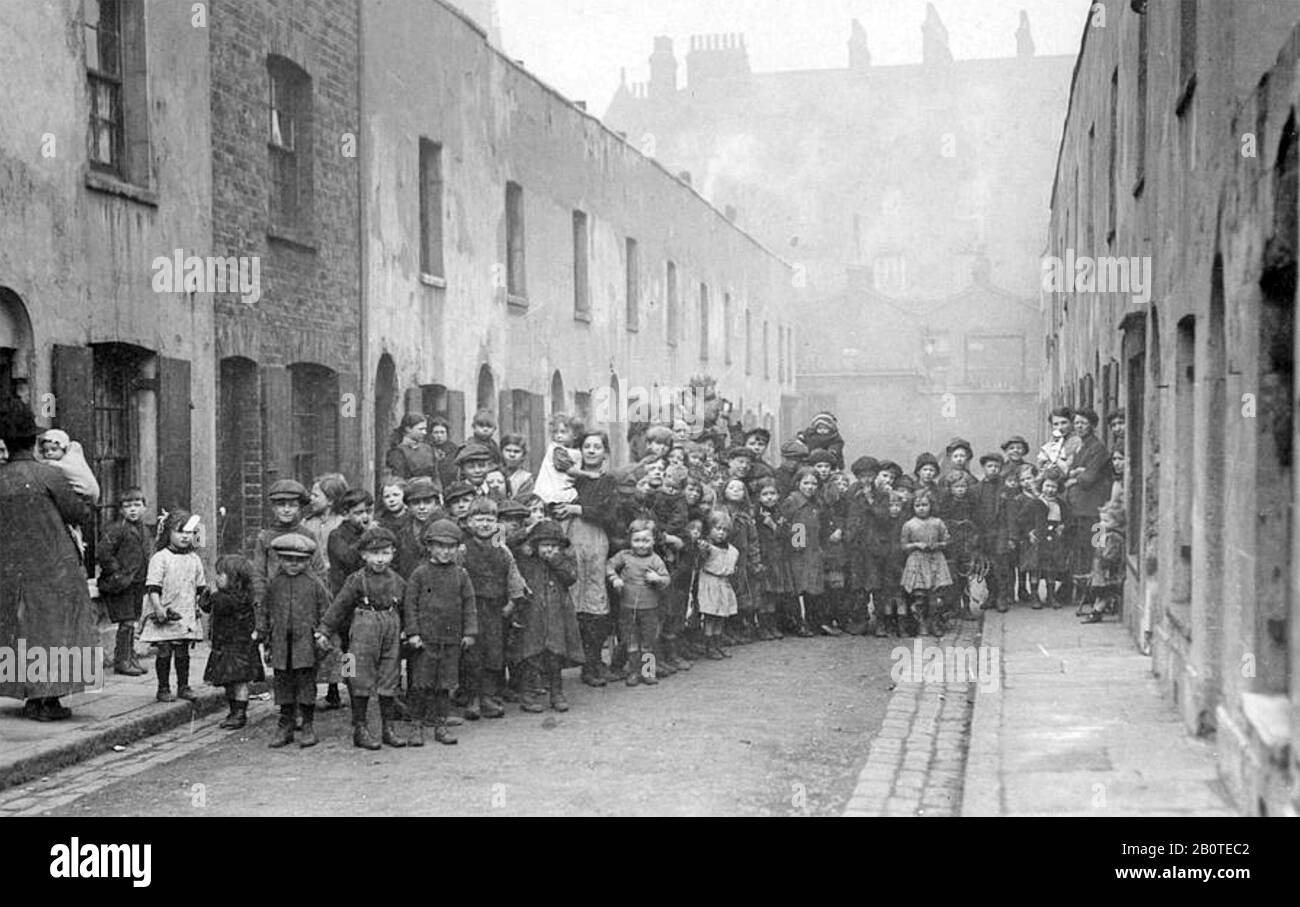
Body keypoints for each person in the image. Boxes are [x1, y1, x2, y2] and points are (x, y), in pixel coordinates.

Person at [0, 402, 100, 721]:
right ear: (34, 442)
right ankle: (47, 700)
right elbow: (78, 513)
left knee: (21, 629)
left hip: (11, 569)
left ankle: (31, 696)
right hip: (54, 565)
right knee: (56, 630)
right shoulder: (49, 475)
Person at [317, 526, 407, 749]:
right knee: (357, 675)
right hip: (363, 629)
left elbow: (408, 608)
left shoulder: (398, 581)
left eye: (385, 553)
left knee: (389, 677)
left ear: (393, 553)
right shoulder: (356, 580)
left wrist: (411, 630)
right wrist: (325, 629)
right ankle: (360, 728)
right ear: (364, 555)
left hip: (391, 629)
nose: (379, 559)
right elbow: (339, 606)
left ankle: (388, 729)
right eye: (374, 553)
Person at [404, 519, 476, 745]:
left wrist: (470, 632)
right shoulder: (420, 573)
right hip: (425, 641)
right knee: (420, 684)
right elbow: (410, 604)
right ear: (429, 547)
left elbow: (469, 604)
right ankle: (416, 727)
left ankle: (441, 725)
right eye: (440, 546)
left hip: (451, 639)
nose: (446, 552)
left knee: (444, 685)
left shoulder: (461, 575)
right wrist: (413, 632)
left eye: (451, 547)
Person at [553, 431, 618, 681]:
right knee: (571, 592)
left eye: (597, 447)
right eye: (586, 446)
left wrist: (577, 508)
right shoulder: (569, 479)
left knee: (595, 595)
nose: (591, 451)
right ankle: (567, 661)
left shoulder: (607, 481)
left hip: (595, 538)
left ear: (605, 452)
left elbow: (608, 513)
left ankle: (592, 664)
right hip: (569, 536)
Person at [257, 533, 331, 748]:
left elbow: (325, 610)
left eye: (299, 560)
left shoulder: (314, 583)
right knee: (283, 683)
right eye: (288, 559)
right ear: (279, 559)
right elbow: (266, 609)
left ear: (307, 560)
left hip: (305, 644)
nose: (293, 564)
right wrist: (264, 636)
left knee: (306, 683)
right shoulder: (275, 583)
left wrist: (322, 633)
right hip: (281, 642)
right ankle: (285, 724)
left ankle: (307, 725)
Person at [514, 520, 585, 711]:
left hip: (557, 616)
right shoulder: (526, 561)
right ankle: (528, 695)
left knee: (555, 655)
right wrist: (526, 531)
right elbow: (507, 543)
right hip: (533, 615)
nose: (549, 550)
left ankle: (557, 692)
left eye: (554, 546)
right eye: (545, 545)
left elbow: (571, 577)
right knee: (531, 655)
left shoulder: (564, 561)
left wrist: (556, 560)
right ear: (535, 546)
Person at [460, 497, 520, 720]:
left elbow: (513, 576)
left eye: (489, 519)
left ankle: (488, 696)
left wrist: (512, 602)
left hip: (495, 609)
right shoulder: (463, 549)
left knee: (494, 652)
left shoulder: (502, 549)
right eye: (479, 519)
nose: (484, 524)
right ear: (469, 522)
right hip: (471, 610)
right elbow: (456, 577)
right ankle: (472, 698)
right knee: (472, 654)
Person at [143, 509, 207, 702]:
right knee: (164, 650)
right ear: (168, 533)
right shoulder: (160, 558)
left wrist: (197, 605)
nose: (185, 537)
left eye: (189, 533)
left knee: (182, 650)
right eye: (180, 532)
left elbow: (199, 587)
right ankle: (163, 688)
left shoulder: (194, 559)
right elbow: (153, 587)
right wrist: (158, 608)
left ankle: (183, 686)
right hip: (164, 611)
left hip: (185, 611)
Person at [202, 554, 264, 730]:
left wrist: (213, 593)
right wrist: (208, 593)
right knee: (229, 681)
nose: (216, 578)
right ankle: (233, 709)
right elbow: (207, 606)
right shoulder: (222, 595)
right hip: (224, 645)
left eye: (221, 574)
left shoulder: (239, 598)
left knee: (239, 681)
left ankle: (240, 713)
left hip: (238, 647)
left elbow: (222, 605)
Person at [95, 487, 151, 676]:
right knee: (126, 621)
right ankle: (122, 661)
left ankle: (130, 656)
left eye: (137, 505)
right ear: (121, 510)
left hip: (138, 582)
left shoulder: (144, 529)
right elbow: (103, 552)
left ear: (144, 507)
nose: (133, 510)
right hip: (121, 584)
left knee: (133, 620)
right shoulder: (117, 529)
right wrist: (116, 571)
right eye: (128, 506)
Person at [608, 519, 670, 686]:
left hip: (649, 608)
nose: (641, 545)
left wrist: (657, 578)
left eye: (646, 540)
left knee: (648, 642)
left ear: (653, 541)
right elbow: (609, 566)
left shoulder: (656, 560)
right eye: (637, 540)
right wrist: (615, 579)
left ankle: (648, 672)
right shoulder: (624, 556)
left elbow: (666, 579)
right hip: (627, 608)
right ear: (630, 540)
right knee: (631, 642)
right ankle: (633, 672)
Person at [1064, 408, 1111, 606]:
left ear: (1092, 425)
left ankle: (1096, 592)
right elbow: (1072, 472)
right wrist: (1076, 472)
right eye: (1076, 423)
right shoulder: (1080, 446)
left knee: (1096, 548)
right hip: (1079, 508)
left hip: (1095, 509)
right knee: (1081, 549)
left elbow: (1089, 478)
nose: (1079, 426)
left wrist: (1076, 475)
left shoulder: (1097, 448)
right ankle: (1081, 590)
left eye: (1083, 423)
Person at [37, 428, 99, 558]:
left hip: (83, 495)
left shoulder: (67, 463)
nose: (49, 454)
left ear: (64, 450)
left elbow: (79, 478)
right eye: (46, 451)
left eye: (54, 450)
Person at [780, 467, 826, 637]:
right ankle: (797, 623)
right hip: (796, 552)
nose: (810, 487)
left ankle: (814, 622)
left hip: (813, 550)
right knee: (796, 587)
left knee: (813, 587)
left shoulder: (817, 503)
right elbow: (786, 524)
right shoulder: (792, 501)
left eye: (814, 483)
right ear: (798, 483)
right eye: (806, 483)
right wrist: (794, 543)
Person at [900, 492, 952, 637]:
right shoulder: (909, 524)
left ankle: (934, 623)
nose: (921, 508)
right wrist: (916, 544)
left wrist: (937, 544)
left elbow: (947, 541)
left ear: (931, 506)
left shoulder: (938, 522)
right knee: (919, 597)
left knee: (936, 597)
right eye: (918, 505)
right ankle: (921, 623)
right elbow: (903, 545)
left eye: (925, 505)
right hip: (917, 560)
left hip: (935, 559)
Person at [695, 511, 740, 659]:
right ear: (710, 529)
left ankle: (718, 644)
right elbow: (700, 560)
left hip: (723, 583)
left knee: (721, 615)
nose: (721, 533)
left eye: (725, 530)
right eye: (718, 528)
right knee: (711, 616)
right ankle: (709, 646)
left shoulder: (732, 550)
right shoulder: (707, 547)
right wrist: (702, 549)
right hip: (709, 583)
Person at [753, 478, 793, 639]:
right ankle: (763, 626)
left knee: (775, 594)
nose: (769, 497)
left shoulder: (780, 513)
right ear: (758, 497)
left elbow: (787, 535)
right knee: (765, 594)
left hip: (778, 559)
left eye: (773, 493)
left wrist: (773, 525)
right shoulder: (756, 514)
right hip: (764, 558)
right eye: (765, 494)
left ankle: (773, 625)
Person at [533, 413, 586, 504]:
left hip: (562, 488)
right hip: (551, 491)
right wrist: (589, 474)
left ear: (575, 435)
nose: (558, 436)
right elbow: (571, 470)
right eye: (555, 432)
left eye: (563, 432)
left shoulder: (574, 450)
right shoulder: (557, 450)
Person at [301, 473, 349, 564]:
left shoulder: (343, 524)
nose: (311, 498)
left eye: (316, 496)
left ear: (330, 501)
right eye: (311, 495)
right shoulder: (306, 523)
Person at [386, 414, 441, 489]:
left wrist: (439, 492)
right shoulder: (397, 452)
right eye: (420, 429)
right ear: (408, 429)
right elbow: (399, 480)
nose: (424, 432)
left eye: (425, 429)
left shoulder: (428, 449)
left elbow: (436, 475)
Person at [500, 433, 534, 498]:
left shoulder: (525, 478)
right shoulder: (495, 474)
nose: (512, 455)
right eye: (508, 450)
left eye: (516, 451)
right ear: (501, 452)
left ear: (523, 455)